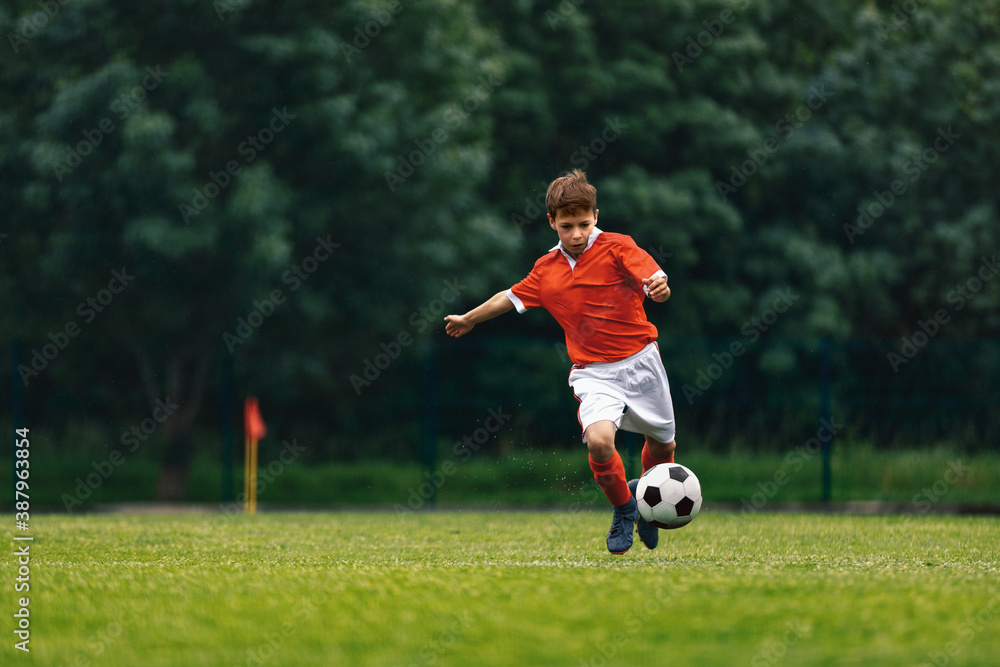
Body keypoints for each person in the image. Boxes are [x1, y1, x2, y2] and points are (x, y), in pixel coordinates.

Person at [444, 169, 679, 554]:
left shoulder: (619, 247)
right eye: (567, 226)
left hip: (642, 362)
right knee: (601, 443)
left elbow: (655, 281)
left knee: (664, 448)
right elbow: (509, 296)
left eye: (584, 224)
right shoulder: (546, 270)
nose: (576, 234)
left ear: (596, 216)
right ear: (551, 221)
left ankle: (646, 505)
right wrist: (469, 318)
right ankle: (624, 509)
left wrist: (661, 288)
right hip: (593, 372)